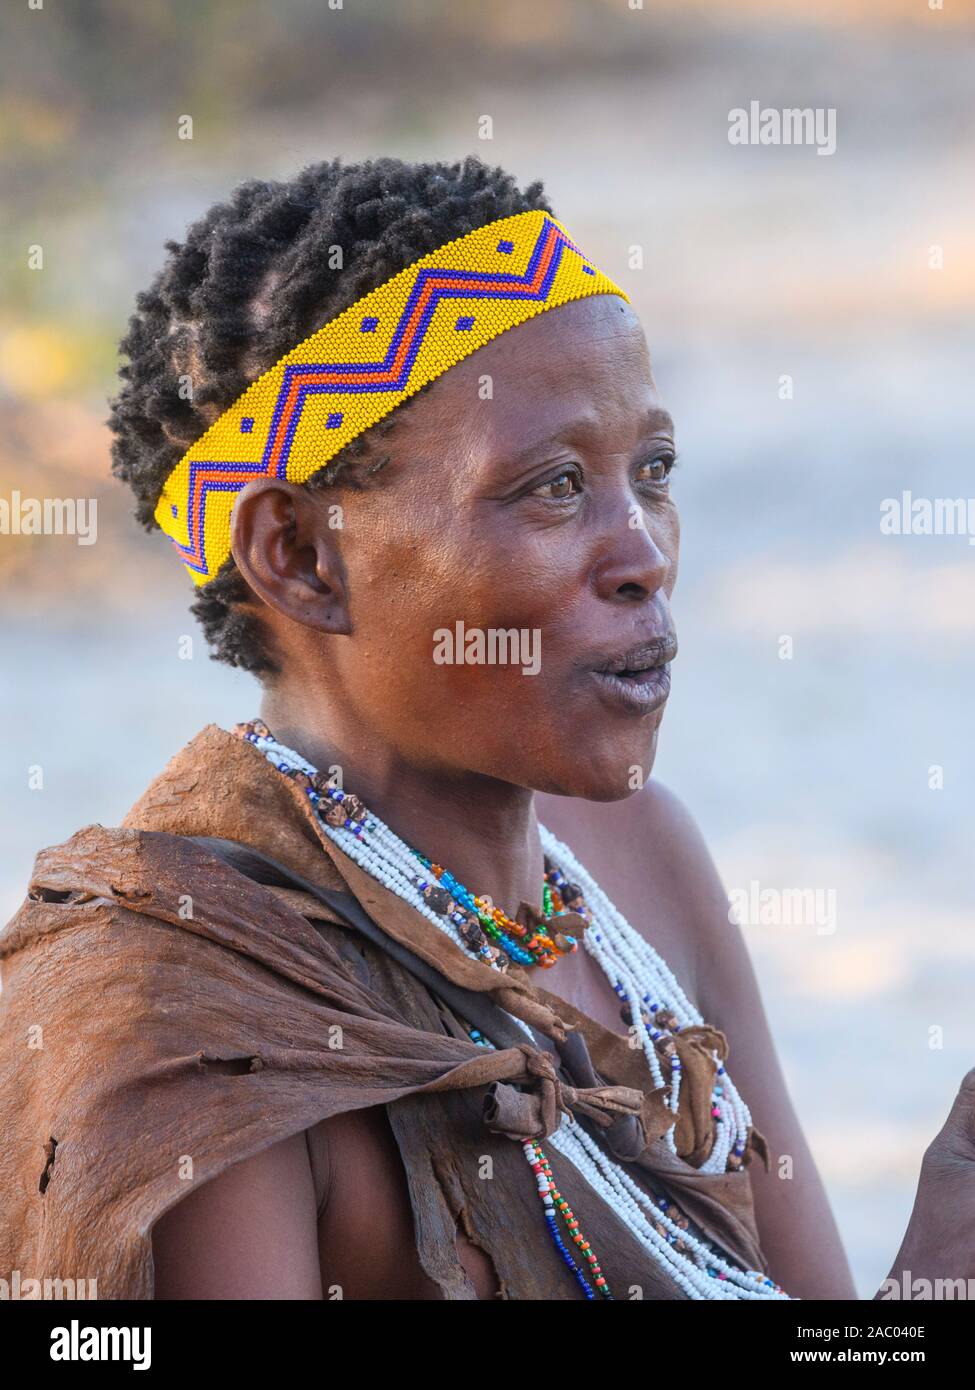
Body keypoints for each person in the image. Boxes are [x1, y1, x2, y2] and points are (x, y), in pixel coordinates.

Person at [1, 157, 970, 1302]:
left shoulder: (638, 867)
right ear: (302, 559)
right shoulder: (200, 1039)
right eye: (554, 487)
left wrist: (937, 1274)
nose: (644, 553)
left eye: (652, 472)